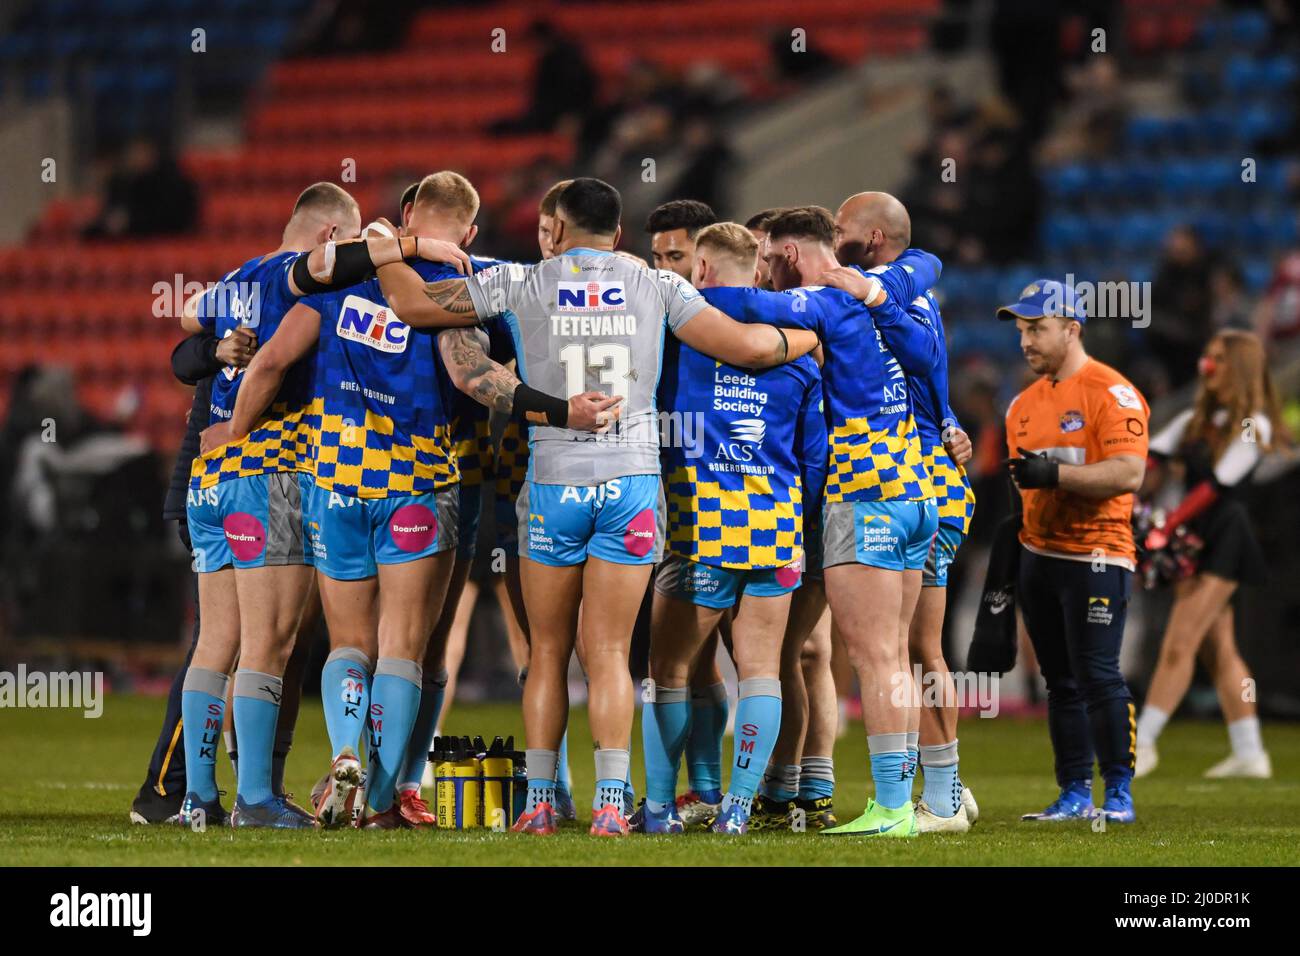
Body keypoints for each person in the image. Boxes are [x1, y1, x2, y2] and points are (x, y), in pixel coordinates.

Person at [375, 177, 821, 837]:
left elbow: (412, 305)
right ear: (617, 234)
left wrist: (388, 246)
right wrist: (805, 341)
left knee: (549, 652)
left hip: (554, 482)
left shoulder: (522, 281)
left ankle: (538, 805)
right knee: (611, 651)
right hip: (634, 486)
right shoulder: (659, 285)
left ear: (551, 230)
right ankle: (613, 801)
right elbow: (747, 347)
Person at [207, 172, 604, 829]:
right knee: (406, 648)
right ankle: (391, 795)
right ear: (470, 232)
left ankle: (341, 755)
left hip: (335, 480)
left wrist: (233, 434)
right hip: (426, 485)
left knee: (348, 645)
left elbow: (272, 360)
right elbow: (484, 372)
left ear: (410, 210)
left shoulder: (345, 277)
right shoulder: (472, 287)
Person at [177, 182, 431, 828]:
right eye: (343, 244)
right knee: (269, 642)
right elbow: (302, 306)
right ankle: (255, 799)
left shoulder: (236, 278)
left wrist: (214, 350)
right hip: (267, 472)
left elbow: (186, 318)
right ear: (326, 236)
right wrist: (401, 244)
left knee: (216, 642)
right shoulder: (295, 280)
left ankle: (197, 798)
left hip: (209, 480)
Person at [699, 206, 943, 839]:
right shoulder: (904, 298)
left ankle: (892, 809)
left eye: (766, 255)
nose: (764, 267)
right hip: (917, 488)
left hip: (863, 493)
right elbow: (929, 263)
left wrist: (670, 288)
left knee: (875, 658)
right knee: (893, 654)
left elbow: (746, 309)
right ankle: (911, 800)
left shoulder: (824, 301)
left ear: (784, 255)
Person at [636, 222, 825, 835]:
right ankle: (738, 809)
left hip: (699, 523)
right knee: (763, 669)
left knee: (668, 673)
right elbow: (816, 456)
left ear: (705, 271)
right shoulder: (799, 337)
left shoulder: (679, 331)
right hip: (776, 523)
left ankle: (662, 809)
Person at [821, 191, 978, 832]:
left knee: (901, 648)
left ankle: (929, 798)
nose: (833, 236)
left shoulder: (876, 293)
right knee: (921, 649)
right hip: (933, 475)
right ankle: (944, 788)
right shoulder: (917, 289)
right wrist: (950, 419)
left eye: (841, 226)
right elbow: (930, 266)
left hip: (904, 476)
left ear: (876, 238)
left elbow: (916, 355)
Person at [999, 279, 1148, 824]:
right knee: (1058, 680)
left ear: (1072, 328)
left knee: (1098, 673)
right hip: (1042, 555)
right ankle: (1073, 792)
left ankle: (1119, 794)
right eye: (1022, 330)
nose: (1026, 341)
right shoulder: (1021, 405)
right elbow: (1021, 489)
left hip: (1097, 554)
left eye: (1036, 329)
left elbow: (1131, 471)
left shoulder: (1112, 393)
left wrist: (1057, 474)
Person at [1135, 330, 1282, 779]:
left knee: (1181, 640)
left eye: (1218, 358)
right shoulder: (1196, 420)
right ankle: (1250, 751)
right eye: (1207, 355)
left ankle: (1145, 741)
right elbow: (1148, 458)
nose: (1206, 365)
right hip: (1195, 531)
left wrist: (1167, 523)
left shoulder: (1254, 423)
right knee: (1220, 648)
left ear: (1238, 366)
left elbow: (1219, 484)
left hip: (1227, 533)